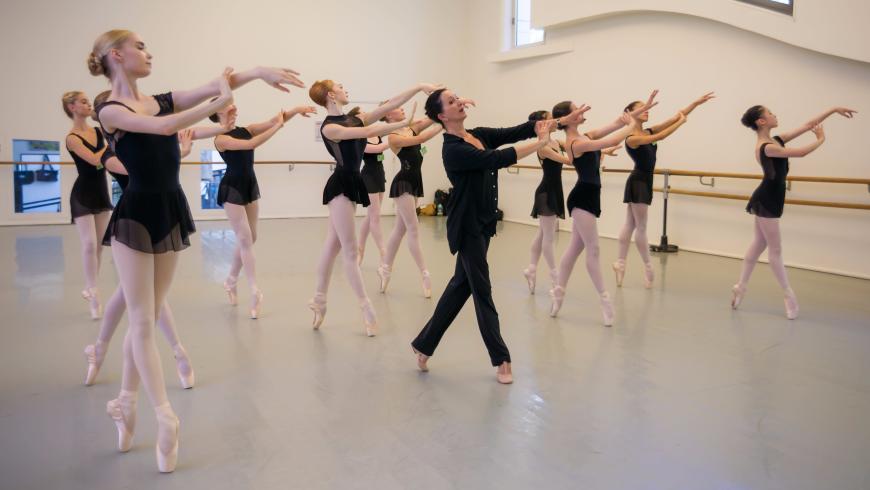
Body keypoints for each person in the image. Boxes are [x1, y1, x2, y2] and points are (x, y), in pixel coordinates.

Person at [90, 28, 303, 472]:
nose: (149, 52)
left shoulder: (161, 97)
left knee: (146, 314)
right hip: (135, 215)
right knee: (142, 320)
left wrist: (256, 73)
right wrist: (220, 100)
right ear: (117, 55)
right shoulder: (111, 109)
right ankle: (164, 415)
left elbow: (210, 86)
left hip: (170, 210)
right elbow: (166, 127)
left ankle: (127, 401)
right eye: (141, 46)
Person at [411, 88, 569, 384]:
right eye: (451, 101)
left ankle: (424, 345)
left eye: (457, 97)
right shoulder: (453, 149)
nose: (458, 101)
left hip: (483, 221)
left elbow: (514, 132)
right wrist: (540, 142)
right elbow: (496, 159)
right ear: (442, 116)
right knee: (481, 289)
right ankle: (501, 358)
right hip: (467, 225)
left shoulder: (478, 133)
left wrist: (544, 123)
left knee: (461, 285)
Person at [307, 80, 441, 336]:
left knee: (332, 245)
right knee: (348, 251)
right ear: (331, 95)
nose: (346, 88)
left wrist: (418, 87)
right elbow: (362, 134)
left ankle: (319, 300)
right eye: (340, 86)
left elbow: (388, 105)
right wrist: (402, 125)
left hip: (353, 182)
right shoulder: (331, 128)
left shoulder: (354, 119)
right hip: (340, 186)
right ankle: (366, 307)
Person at [732, 105, 856, 318]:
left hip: (771, 197)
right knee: (775, 250)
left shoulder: (776, 140)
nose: (775, 114)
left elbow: (807, 125)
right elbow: (801, 152)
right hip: (768, 199)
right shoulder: (766, 147)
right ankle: (788, 294)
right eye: (770, 113)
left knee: (759, 244)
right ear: (761, 121)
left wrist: (834, 110)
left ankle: (741, 286)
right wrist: (821, 139)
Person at [211, 103, 317, 318]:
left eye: (234, 107)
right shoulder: (220, 139)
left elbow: (273, 119)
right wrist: (277, 127)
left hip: (249, 184)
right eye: (229, 108)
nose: (235, 109)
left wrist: (295, 110)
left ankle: (230, 280)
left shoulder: (245, 129)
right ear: (218, 113)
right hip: (231, 187)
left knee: (251, 237)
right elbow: (252, 144)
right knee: (245, 238)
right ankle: (254, 291)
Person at [613, 92, 714, 288]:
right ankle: (648, 266)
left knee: (631, 224)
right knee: (640, 227)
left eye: (647, 108)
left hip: (643, 181)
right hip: (638, 182)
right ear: (630, 113)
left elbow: (674, 117)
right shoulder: (631, 138)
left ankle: (620, 263)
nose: (647, 111)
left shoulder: (647, 132)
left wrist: (694, 103)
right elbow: (664, 134)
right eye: (641, 108)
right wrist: (682, 123)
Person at [377, 105, 443, 298]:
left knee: (399, 230)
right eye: (397, 108)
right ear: (389, 115)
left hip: (415, 183)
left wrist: (449, 107)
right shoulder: (393, 137)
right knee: (413, 228)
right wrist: (442, 125)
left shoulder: (410, 128)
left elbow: (431, 117)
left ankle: (385, 268)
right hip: (403, 184)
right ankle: (425, 274)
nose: (402, 109)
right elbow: (421, 139)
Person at [62, 91, 112, 320]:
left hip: (101, 192)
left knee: (99, 245)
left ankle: (92, 286)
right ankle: (93, 292)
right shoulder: (72, 138)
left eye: (88, 100)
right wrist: (109, 146)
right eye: (83, 101)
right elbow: (94, 160)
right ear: (72, 107)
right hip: (82, 194)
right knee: (90, 244)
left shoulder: (98, 130)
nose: (87, 103)